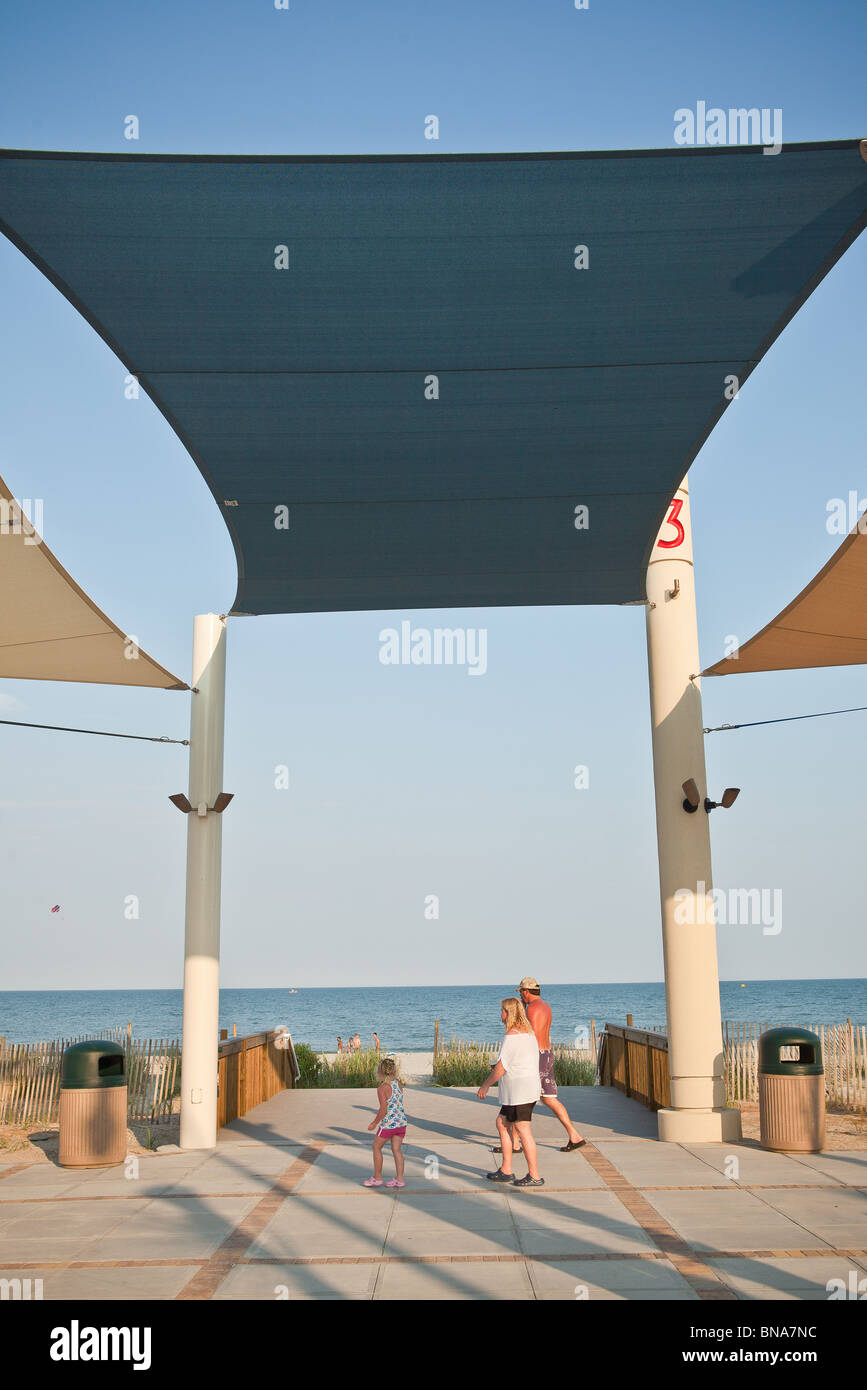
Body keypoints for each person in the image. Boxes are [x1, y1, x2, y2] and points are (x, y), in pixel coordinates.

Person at [477, 997, 543, 1187]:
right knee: (502, 1123)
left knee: (523, 1129)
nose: (501, 1015)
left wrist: (485, 1085)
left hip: (520, 1091)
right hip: (523, 1090)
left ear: (509, 1013)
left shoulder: (512, 1036)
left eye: (502, 1011)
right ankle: (506, 1170)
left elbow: (501, 1067)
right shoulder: (528, 1034)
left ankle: (534, 1175)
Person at [517, 976, 585, 1151]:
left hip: (535, 1055)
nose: (521, 997)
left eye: (521, 993)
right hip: (546, 1054)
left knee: (520, 1097)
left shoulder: (531, 1009)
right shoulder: (545, 1006)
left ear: (525, 991)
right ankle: (574, 1135)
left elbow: (529, 1035)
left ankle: (515, 1143)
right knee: (549, 1098)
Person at [364, 1057, 406, 1188]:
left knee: (376, 1147)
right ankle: (399, 1179)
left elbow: (383, 1109)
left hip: (388, 1125)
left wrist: (374, 1123)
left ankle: (377, 1177)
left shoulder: (382, 1088)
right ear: (394, 1071)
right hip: (401, 1123)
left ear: (380, 1072)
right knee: (397, 1150)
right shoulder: (398, 1085)